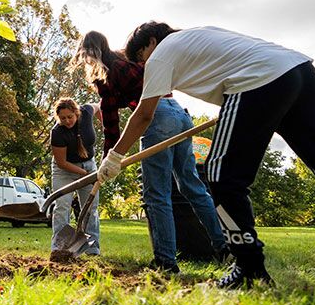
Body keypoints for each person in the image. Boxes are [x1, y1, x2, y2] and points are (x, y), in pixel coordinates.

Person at [99, 22, 315, 288]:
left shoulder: (162, 53)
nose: (144, 66)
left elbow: (143, 116)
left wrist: (114, 157)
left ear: (150, 43)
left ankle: (248, 267)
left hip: (258, 81)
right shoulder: (200, 35)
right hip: (300, 71)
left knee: (220, 174)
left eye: (141, 58)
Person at [72, 31, 227, 273]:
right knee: (192, 186)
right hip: (179, 113)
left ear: (88, 54)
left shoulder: (106, 75)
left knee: (157, 194)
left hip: (157, 119)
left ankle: (166, 261)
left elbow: (111, 123)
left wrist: (108, 159)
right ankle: (224, 248)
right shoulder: (129, 59)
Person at [49, 97, 100, 255]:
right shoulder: (57, 133)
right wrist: (85, 174)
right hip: (64, 171)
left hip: (89, 164)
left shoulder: (86, 111)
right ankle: (59, 249)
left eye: (70, 117)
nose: (67, 121)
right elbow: (62, 162)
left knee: (90, 207)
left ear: (76, 113)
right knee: (62, 207)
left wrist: (105, 123)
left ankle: (92, 249)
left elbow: (99, 105)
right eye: (63, 118)